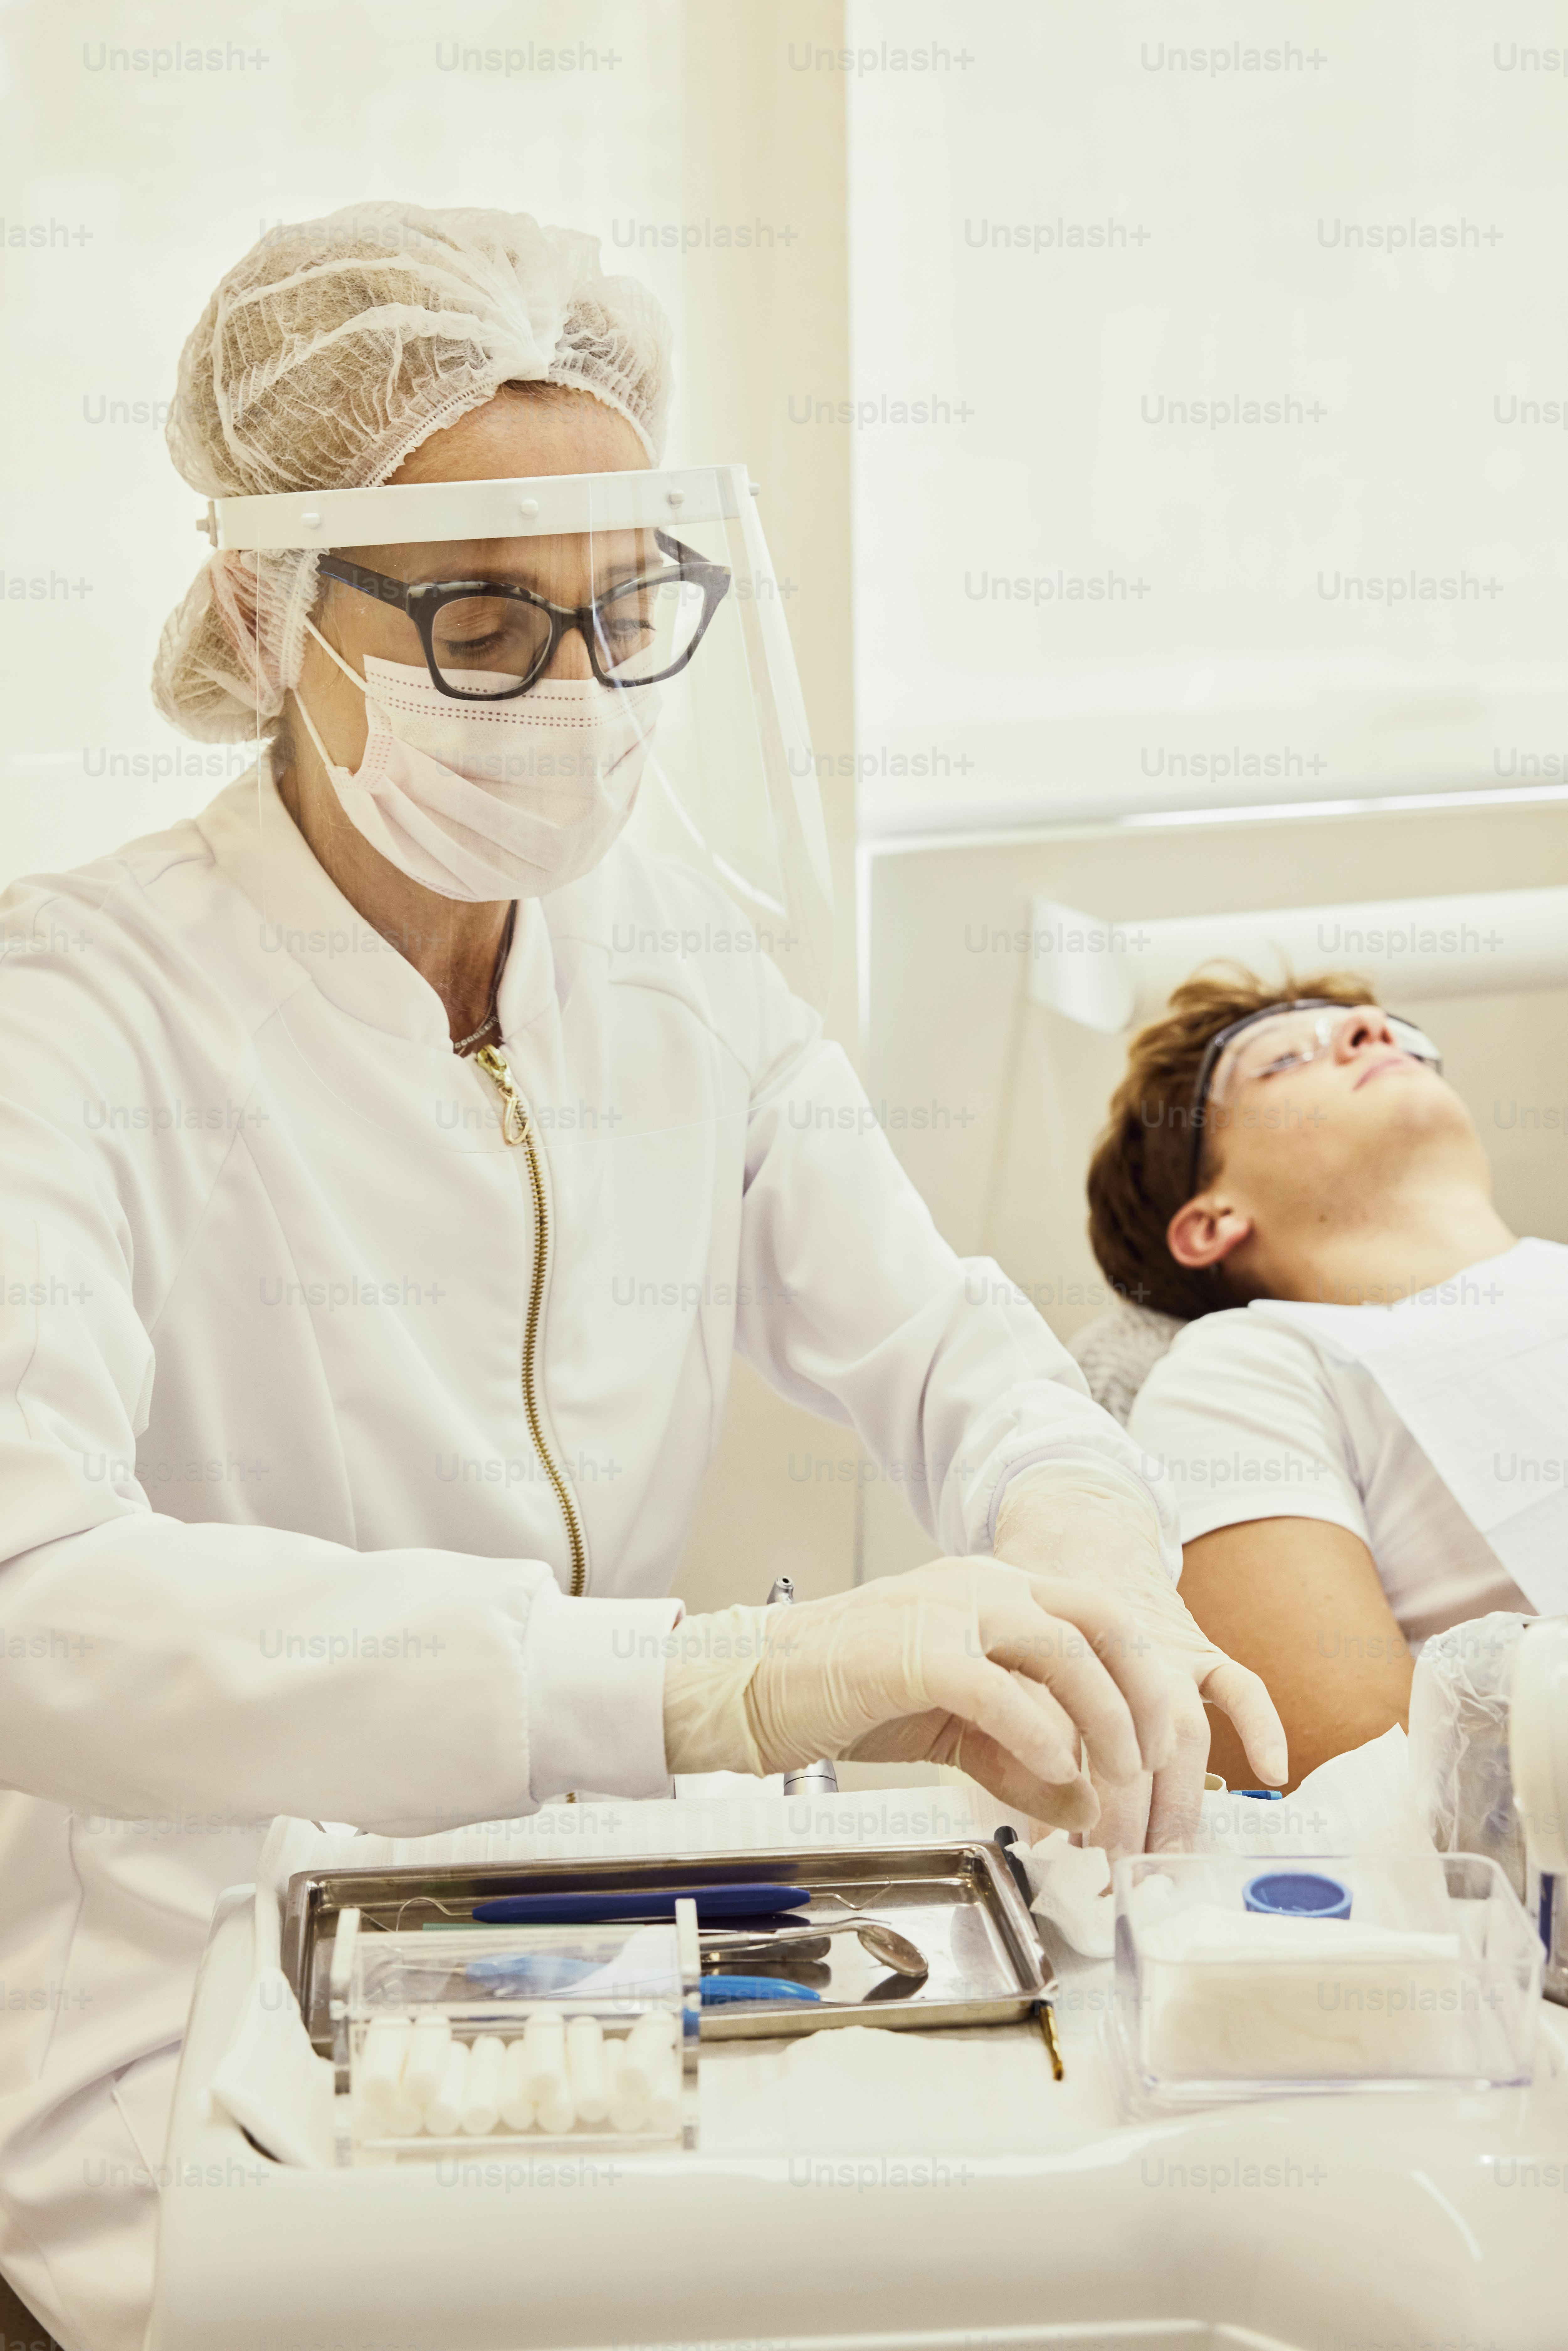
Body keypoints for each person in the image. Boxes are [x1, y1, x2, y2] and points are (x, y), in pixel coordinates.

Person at [0, 204, 1279, 2351]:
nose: (576, 700)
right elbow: (31, 1597)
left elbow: (943, 1338)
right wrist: (703, 1685)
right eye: (486, 620)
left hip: (590, 1985)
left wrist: (1090, 1554)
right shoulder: (78, 1010)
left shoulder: (670, 959)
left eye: (626, 610)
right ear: (263, 602)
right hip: (179, 2068)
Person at [1083, 965, 1562, 1792]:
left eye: (1392, 1029)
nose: (1372, 1026)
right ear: (1210, 1221)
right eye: (1281, 1061)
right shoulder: (1243, 1366)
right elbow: (1345, 1789)